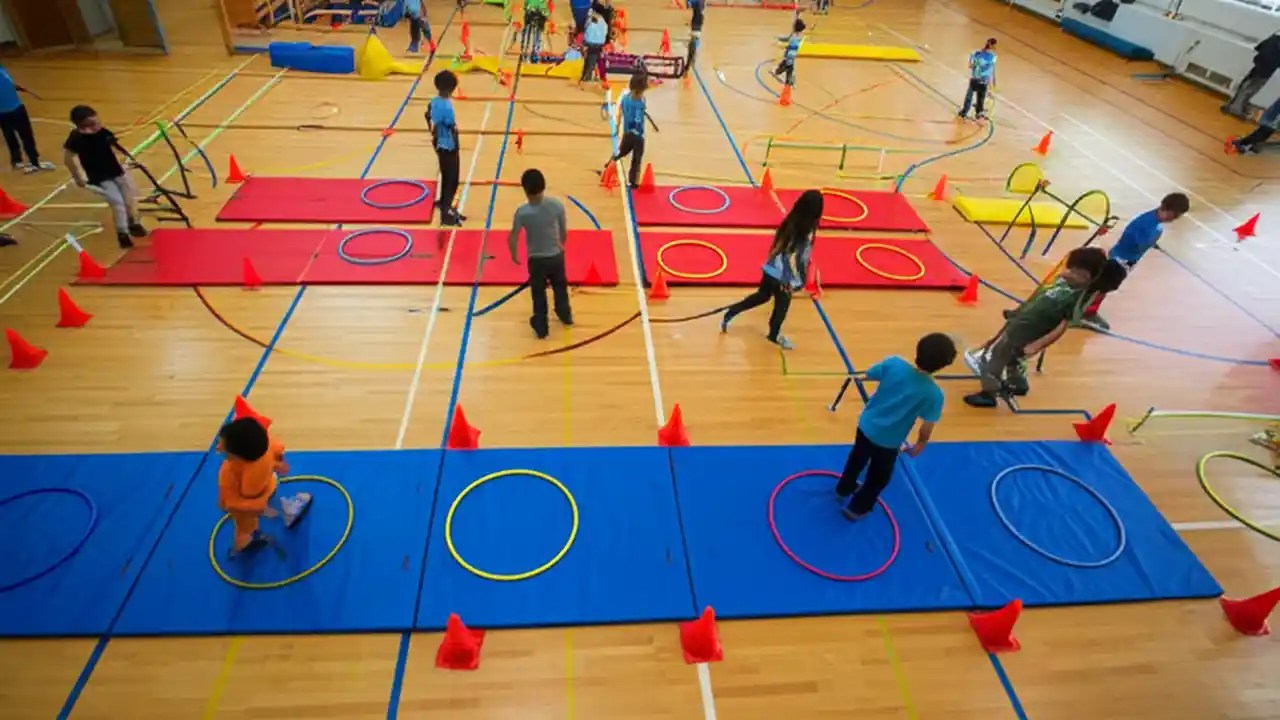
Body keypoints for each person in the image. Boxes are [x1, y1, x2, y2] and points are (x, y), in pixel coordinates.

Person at [963, 246, 1108, 408]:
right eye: (1071, 269)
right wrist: (1016, 313)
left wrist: (1036, 345)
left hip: (1031, 333)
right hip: (1020, 325)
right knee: (1013, 359)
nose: (1071, 274)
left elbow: (1062, 327)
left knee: (996, 358)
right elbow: (1037, 298)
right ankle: (1017, 382)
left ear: (1091, 279)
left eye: (1079, 274)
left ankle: (988, 394)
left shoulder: (1076, 299)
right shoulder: (1062, 281)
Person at [834, 333, 956, 521]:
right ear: (943, 365)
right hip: (889, 442)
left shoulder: (894, 364)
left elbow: (870, 374)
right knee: (878, 478)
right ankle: (856, 509)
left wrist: (865, 377)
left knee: (856, 459)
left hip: (866, 426)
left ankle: (843, 489)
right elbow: (927, 426)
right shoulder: (934, 394)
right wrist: (920, 445)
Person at [720, 189, 822, 349]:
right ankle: (773, 334)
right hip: (783, 276)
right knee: (782, 305)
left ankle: (732, 311)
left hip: (771, 268)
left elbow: (779, 245)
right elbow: (800, 259)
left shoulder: (790, 220)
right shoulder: (807, 231)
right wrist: (798, 281)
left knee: (763, 295)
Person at [1080, 192, 1190, 329]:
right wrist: (1151, 242)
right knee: (1103, 287)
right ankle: (1087, 314)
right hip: (1120, 260)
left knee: (1103, 286)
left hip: (1126, 260)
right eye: (1175, 215)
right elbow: (1135, 242)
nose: (1174, 219)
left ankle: (1084, 309)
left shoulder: (1154, 221)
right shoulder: (1148, 223)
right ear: (1167, 209)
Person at [216, 417, 311, 558]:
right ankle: (287, 512)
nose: (217, 447)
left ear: (237, 456)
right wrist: (279, 463)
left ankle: (243, 543)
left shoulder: (228, 473)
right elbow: (278, 449)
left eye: (223, 448)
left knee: (244, 526)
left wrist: (259, 508)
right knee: (265, 507)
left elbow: (227, 503)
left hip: (248, 502)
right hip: (262, 491)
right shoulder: (265, 443)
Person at [63, 105, 148, 249]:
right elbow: (69, 158)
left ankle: (132, 221)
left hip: (116, 170)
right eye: (92, 125)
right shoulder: (76, 139)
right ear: (81, 127)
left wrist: (129, 161)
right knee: (117, 203)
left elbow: (116, 148)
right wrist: (78, 176)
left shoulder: (102, 133)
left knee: (129, 198)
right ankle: (123, 234)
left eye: (98, 122)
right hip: (100, 177)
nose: (98, 127)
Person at [508, 169, 572, 339]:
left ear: (525, 190)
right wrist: (560, 244)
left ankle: (541, 326)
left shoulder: (522, 212)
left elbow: (513, 235)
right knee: (560, 287)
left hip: (536, 260)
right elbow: (563, 230)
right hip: (556, 257)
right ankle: (565, 314)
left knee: (538, 294)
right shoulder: (556, 205)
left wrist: (514, 254)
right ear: (543, 187)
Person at [426, 71, 465, 227]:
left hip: (439, 144)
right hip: (448, 146)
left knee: (446, 176)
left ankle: (443, 203)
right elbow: (451, 126)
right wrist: (456, 145)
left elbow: (428, 116)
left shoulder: (434, 102)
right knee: (452, 180)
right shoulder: (447, 106)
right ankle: (446, 214)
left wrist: (434, 136)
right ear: (452, 88)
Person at [0, 66, 52, 173]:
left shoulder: (2, 69)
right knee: (13, 135)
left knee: (26, 136)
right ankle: (17, 161)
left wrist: (17, 87)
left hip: (16, 107)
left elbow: (7, 83)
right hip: (5, 111)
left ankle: (34, 161)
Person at [604, 73, 649, 188]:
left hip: (626, 132)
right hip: (637, 135)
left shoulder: (626, 98)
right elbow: (638, 120)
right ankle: (633, 182)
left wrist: (618, 126)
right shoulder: (640, 103)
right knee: (636, 158)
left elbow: (620, 112)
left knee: (621, 152)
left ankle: (608, 166)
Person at [1224, 32, 1280, 118]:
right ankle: (1236, 108)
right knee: (1252, 87)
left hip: (1262, 61)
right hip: (1268, 65)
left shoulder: (1276, 36)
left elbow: (1262, 46)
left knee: (1248, 83)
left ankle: (1234, 104)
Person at [959, 38, 997, 121]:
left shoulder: (976, 53)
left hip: (975, 78)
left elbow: (970, 65)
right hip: (983, 80)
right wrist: (993, 84)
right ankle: (979, 113)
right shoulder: (992, 57)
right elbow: (991, 72)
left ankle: (964, 112)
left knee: (969, 96)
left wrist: (977, 66)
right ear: (993, 46)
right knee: (981, 98)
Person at [772, 18, 805, 87]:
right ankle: (788, 81)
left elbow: (793, 46)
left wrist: (784, 47)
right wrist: (779, 38)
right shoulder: (795, 34)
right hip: (790, 53)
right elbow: (787, 39)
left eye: (793, 25)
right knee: (789, 68)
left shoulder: (797, 37)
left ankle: (778, 72)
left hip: (790, 54)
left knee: (788, 67)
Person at [578, 11, 608, 86]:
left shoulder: (591, 20)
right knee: (594, 62)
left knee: (590, 62)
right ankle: (588, 77)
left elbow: (586, 30)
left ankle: (585, 78)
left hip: (592, 44)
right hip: (597, 44)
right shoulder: (602, 21)